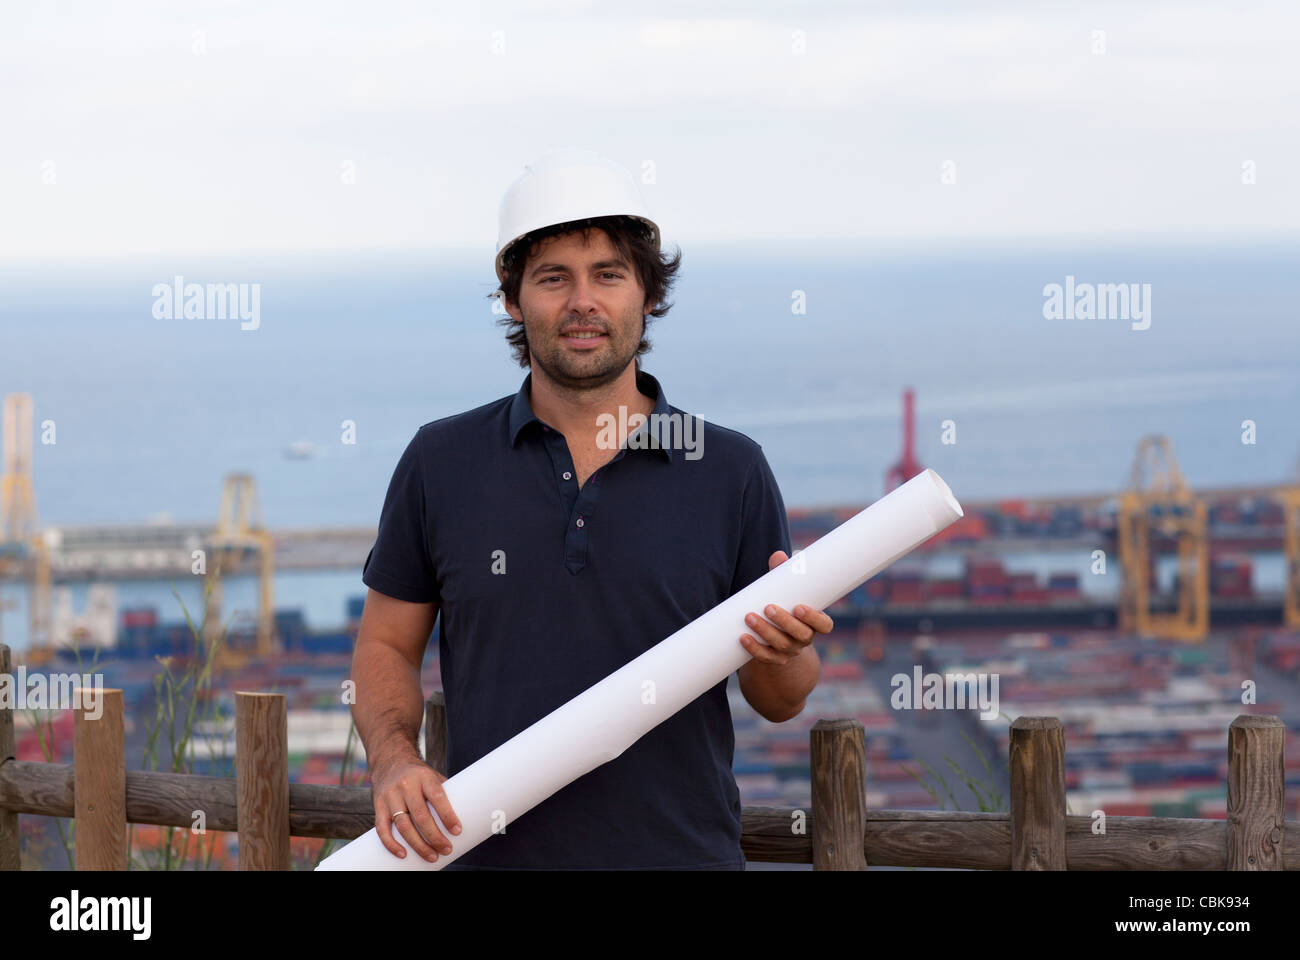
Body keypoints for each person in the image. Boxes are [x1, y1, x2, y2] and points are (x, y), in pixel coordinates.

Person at [351, 148, 832, 870]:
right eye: (553, 278)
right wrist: (392, 760)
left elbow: (780, 699)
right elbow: (385, 644)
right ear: (513, 300)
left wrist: (786, 654)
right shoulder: (439, 462)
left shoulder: (729, 469)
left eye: (608, 274)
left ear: (646, 295)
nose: (583, 301)